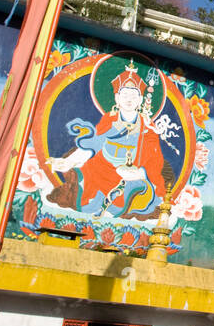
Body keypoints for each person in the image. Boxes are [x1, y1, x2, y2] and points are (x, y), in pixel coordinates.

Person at [48, 62, 168, 218]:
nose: (129, 99)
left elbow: (155, 158)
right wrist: (69, 161)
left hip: (130, 174)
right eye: (124, 95)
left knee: (137, 195)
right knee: (83, 185)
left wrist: (141, 172)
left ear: (140, 100)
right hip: (101, 168)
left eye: (133, 95)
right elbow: (93, 144)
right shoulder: (109, 120)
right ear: (117, 98)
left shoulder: (147, 126)